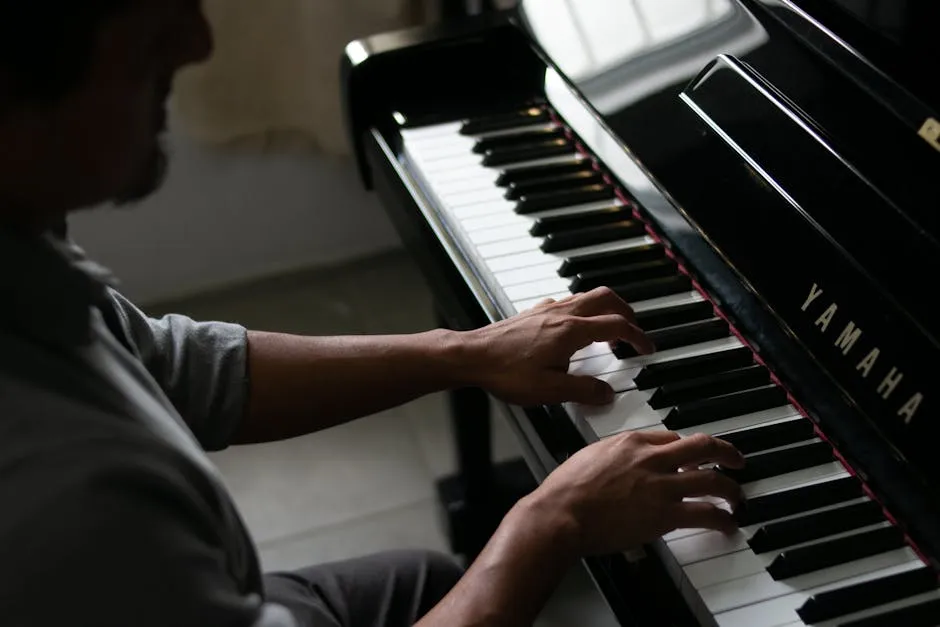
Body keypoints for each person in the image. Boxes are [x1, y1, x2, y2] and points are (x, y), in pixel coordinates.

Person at [0, 2, 746, 626]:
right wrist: (554, 521)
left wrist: (463, 352)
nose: (199, 43)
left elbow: (178, 367)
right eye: (152, 30)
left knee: (419, 579)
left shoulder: (22, 248)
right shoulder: (71, 505)